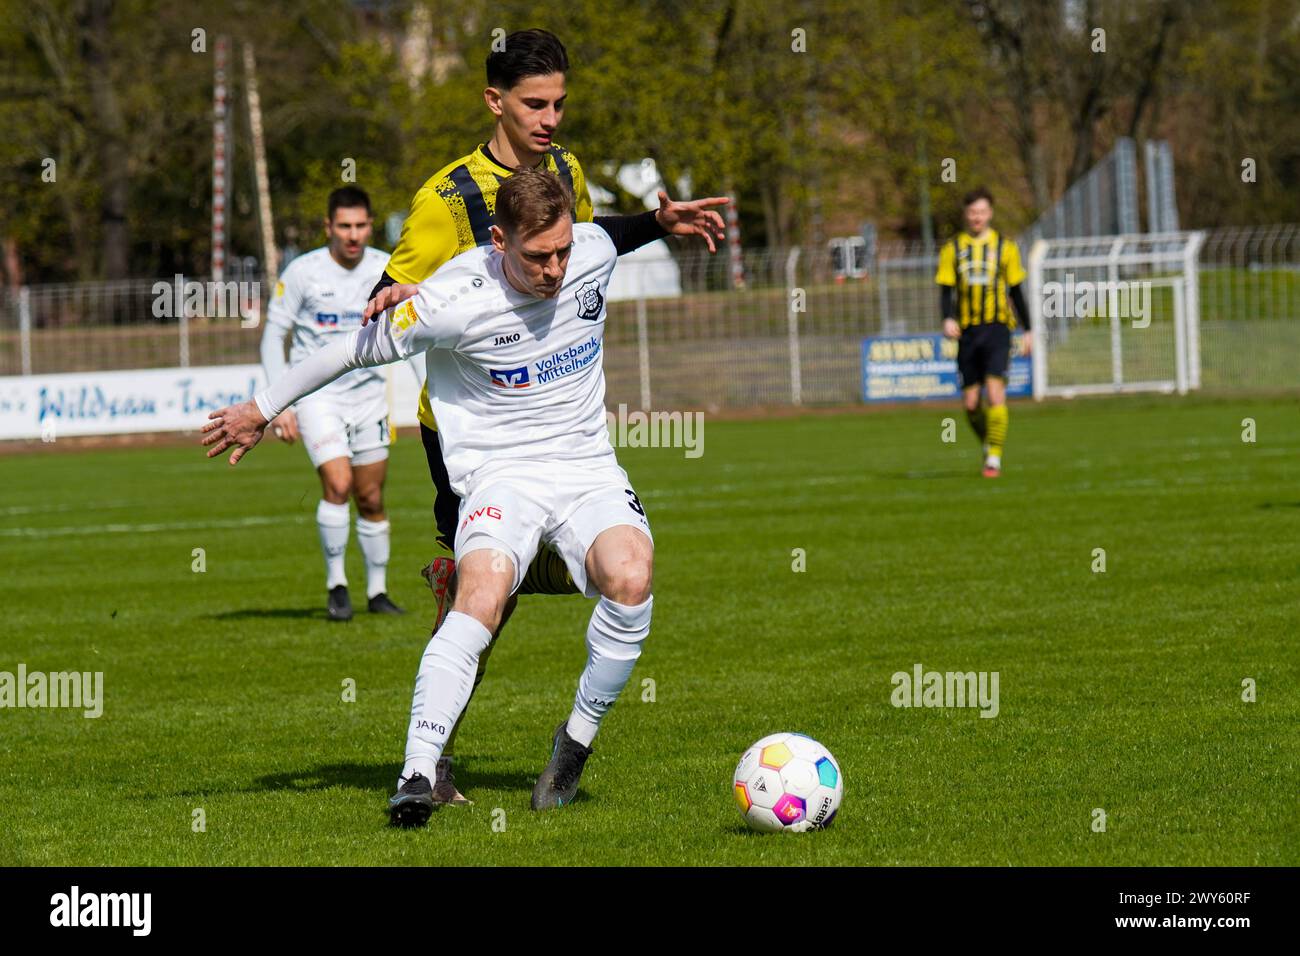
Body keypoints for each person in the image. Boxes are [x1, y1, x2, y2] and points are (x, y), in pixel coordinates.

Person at [203, 168, 681, 826]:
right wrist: (260, 407)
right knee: (480, 594)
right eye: (538, 256)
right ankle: (418, 773)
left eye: (563, 251)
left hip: (585, 467)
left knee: (632, 577)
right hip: (498, 476)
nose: (555, 269)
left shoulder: (587, 252)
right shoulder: (451, 298)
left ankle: (574, 743)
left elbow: (611, 235)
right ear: (497, 240)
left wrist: (660, 223)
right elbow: (346, 350)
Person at [361, 28, 727, 802]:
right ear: (494, 101)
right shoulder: (442, 200)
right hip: (467, 430)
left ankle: (516, 593)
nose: (550, 118)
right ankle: (434, 763)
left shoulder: (564, 170)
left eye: (559, 102)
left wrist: (656, 224)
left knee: (514, 583)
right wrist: (386, 298)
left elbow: (587, 243)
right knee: (482, 604)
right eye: (535, 104)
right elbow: (386, 303)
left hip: (555, 424)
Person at [260, 186, 420, 619]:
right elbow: (274, 336)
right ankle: (337, 587)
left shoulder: (386, 268)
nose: (353, 235)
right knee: (339, 484)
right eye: (344, 226)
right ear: (328, 227)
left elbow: (409, 334)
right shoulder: (302, 272)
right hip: (318, 398)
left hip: (369, 397)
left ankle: (378, 592)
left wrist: (428, 394)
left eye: (361, 225)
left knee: (370, 496)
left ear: (371, 225)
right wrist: (281, 405)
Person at [936, 187, 1032, 478]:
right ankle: (989, 443)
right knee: (970, 404)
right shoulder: (952, 249)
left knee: (995, 393)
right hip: (967, 333)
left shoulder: (1006, 247)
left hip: (997, 330)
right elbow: (945, 289)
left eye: (981, 211)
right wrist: (947, 318)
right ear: (966, 215)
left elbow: (1016, 291)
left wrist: (1028, 330)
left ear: (990, 213)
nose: (976, 217)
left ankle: (994, 459)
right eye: (972, 212)